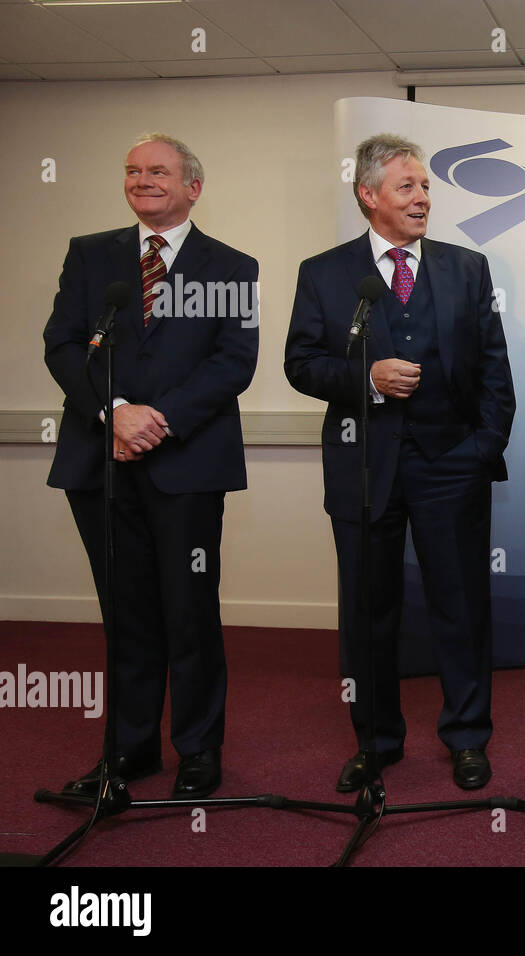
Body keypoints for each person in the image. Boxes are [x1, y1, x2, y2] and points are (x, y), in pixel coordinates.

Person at [285, 134, 515, 793]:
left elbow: (495, 371)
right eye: (408, 186)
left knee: (462, 609)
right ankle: (377, 742)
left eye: (426, 187)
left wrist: (481, 452)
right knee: (367, 612)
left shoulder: (466, 268)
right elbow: (300, 365)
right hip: (364, 469)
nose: (422, 198)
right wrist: (370, 377)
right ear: (368, 195)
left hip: (452, 467)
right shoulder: (325, 273)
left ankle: (468, 740)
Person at [45, 133, 259, 799]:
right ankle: (129, 752)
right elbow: (62, 344)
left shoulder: (232, 266)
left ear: (193, 186)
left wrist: (152, 421)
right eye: (133, 171)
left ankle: (197, 751)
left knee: (189, 610)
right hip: (100, 464)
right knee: (126, 614)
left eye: (159, 171)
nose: (144, 180)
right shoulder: (91, 256)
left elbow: (233, 361)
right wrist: (113, 412)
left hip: (186, 464)